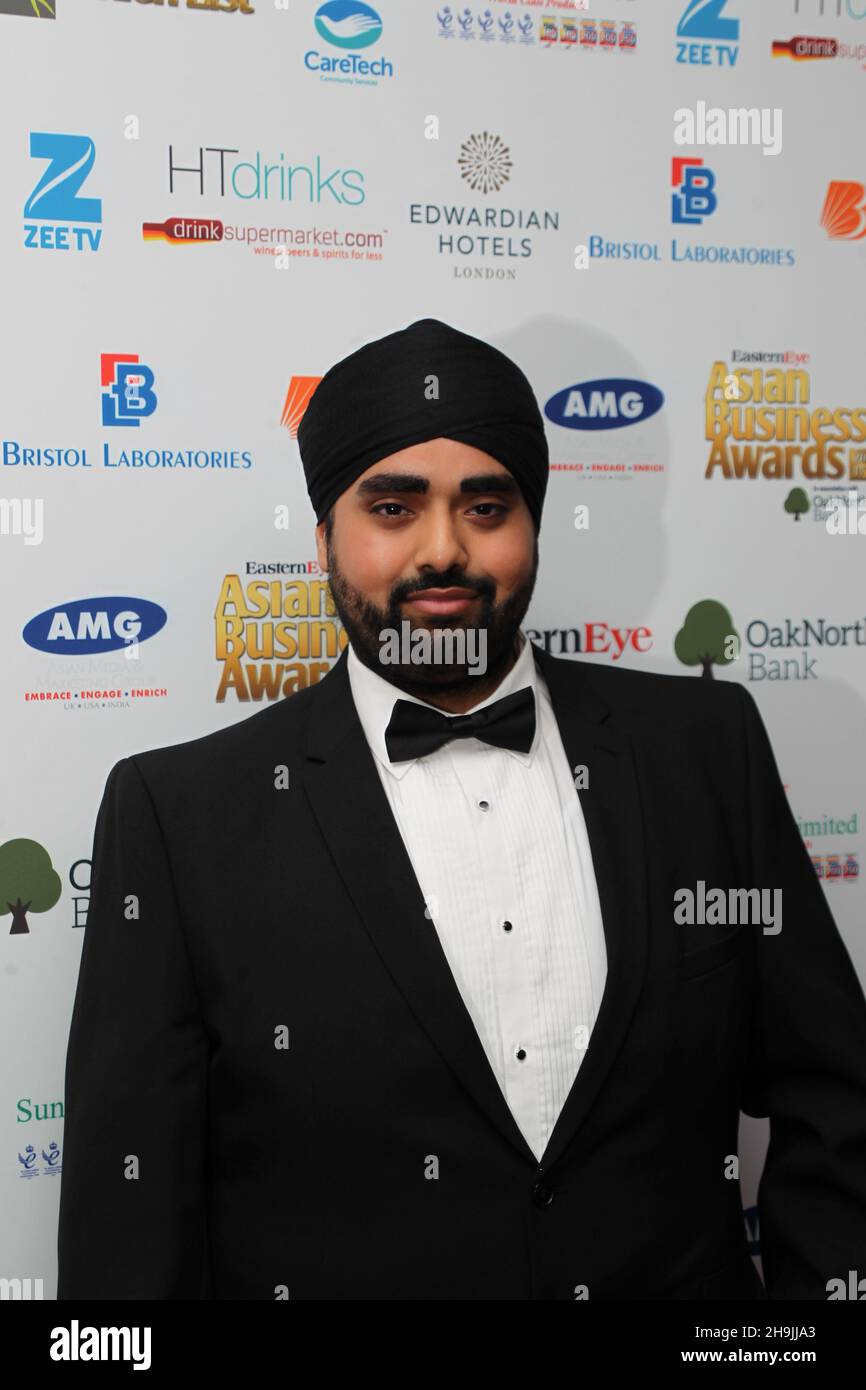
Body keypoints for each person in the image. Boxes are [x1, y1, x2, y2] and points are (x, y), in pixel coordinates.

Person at [57, 318, 866, 1300]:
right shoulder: (180, 817)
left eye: (485, 506)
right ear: (322, 537)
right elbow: (126, 1228)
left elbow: (834, 1093)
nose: (443, 550)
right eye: (392, 507)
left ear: (531, 523)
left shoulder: (702, 748)